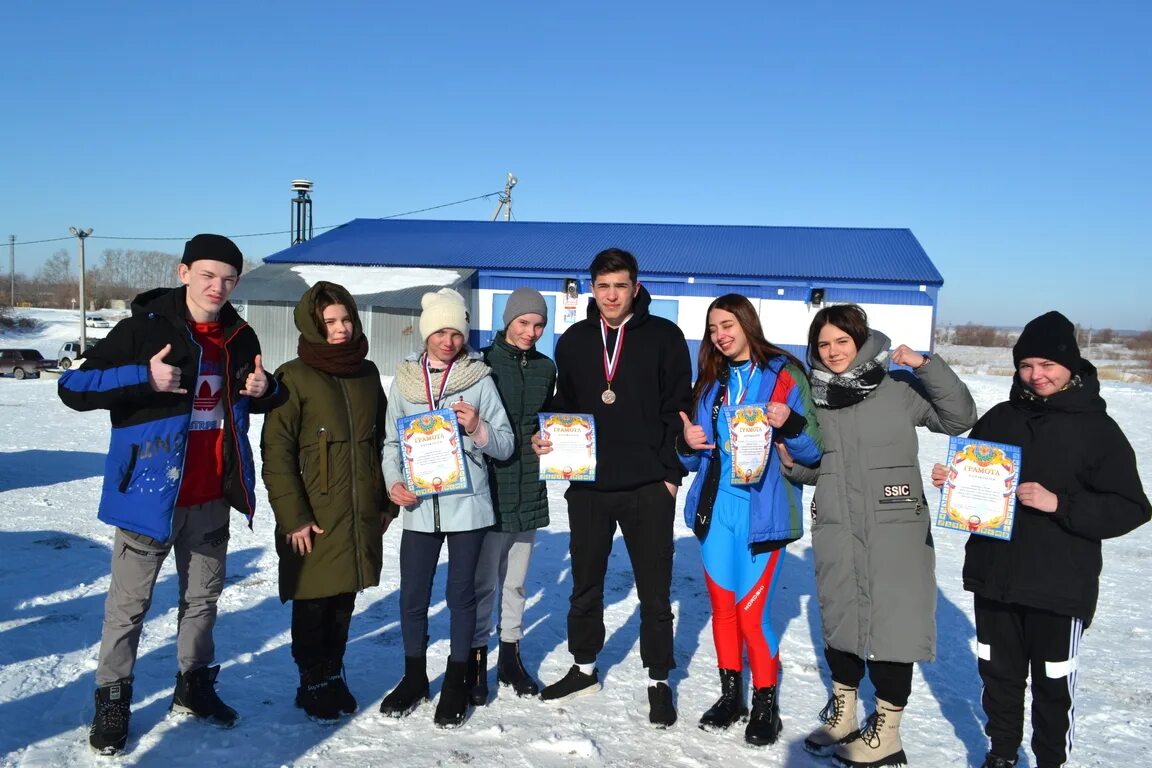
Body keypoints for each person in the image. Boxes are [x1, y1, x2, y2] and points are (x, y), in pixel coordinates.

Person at [58, 234, 285, 756]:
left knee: (202, 601)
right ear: (184, 273)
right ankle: (113, 699)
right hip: (149, 495)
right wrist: (145, 376)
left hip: (210, 494)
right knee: (128, 607)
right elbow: (72, 387)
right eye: (208, 275)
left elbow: (265, 392)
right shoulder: (143, 329)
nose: (218, 287)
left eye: (228, 279)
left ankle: (194, 684)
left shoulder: (240, 334)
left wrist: (265, 390)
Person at [930, 311, 1150, 768]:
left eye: (1047, 365)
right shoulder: (1000, 418)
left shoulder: (1097, 430)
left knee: (1053, 683)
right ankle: (1002, 754)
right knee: (999, 676)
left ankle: (1051, 761)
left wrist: (1061, 504)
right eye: (1027, 365)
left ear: (1071, 366)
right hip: (995, 578)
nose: (1037, 375)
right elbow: (979, 479)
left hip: (1059, 586)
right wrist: (953, 482)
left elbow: (1131, 507)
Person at [778, 303, 976, 768]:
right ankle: (844, 711)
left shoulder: (896, 389)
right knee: (841, 615)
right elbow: (820, 466)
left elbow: (959, 417)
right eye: (823, 345)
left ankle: (887, 730)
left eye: (841, 342)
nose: (832, 352)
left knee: (893, 623)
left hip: (895, 525)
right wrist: (795, 466)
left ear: (861, 340)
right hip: (837, 523)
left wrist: (924, 365)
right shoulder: (815, 397)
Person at [533, 247, 692, 728]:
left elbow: (678, 406)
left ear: (636, 287)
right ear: (592, 289)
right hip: (589, 486)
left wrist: (668, 475)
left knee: (655, 588)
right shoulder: (575, 340)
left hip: (647, 484)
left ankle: (659, 679)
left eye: (620, 286)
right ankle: (583, 667)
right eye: (602, 286)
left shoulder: (665, 336)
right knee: (586, 582)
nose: (611, 295)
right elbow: (566, 403)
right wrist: (548, 437)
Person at [677, 294, 822, 746]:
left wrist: (791, 422)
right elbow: (692, 457)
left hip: (763, 512)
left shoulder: (785, 374)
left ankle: (765, 705)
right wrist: (688, 442)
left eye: (727, 324)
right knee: (722, 610)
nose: (720, 335)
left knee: (751, 615)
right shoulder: (712, 382)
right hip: (717, 512)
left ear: (746, 323)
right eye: (713, 328)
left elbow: (814, 450)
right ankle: (730, 697)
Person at [261, 281, 397, 722]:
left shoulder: (367, 373)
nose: (340, 329)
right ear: (313, 326)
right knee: (313, 598)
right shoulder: (293, 377)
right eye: (330, 322)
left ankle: (333, 671)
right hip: (314, 514)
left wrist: (384, 504)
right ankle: (311, 678)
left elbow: (381, 442)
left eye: (345, 320)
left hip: (358, 509)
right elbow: (276, 453)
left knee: (344, 596)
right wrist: (293, 518)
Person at [378, 287, 514, 728]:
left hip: (467, 507)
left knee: (461, 595)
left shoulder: (479, 379)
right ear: (426, 332)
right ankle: (414, 676)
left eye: (456, 332)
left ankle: (456, 680)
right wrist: (394, 481)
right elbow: (391, 443)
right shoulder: (405, 381)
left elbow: (506, 443)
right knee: (413, 595)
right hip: (419, 507)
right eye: (440, 331)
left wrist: (477, 427)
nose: (449, 340)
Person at [467, 288, 557, 704]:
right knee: (484, 582)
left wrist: (549, 436)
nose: (531, 332)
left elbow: (551, 418)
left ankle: (511, 656)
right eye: (524, 323)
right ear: (508, 321)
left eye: (539, 325)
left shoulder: (546, 367)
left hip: (529, 486)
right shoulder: (482, 364)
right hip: (489, 486)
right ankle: (475, 657)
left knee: (516, 583)